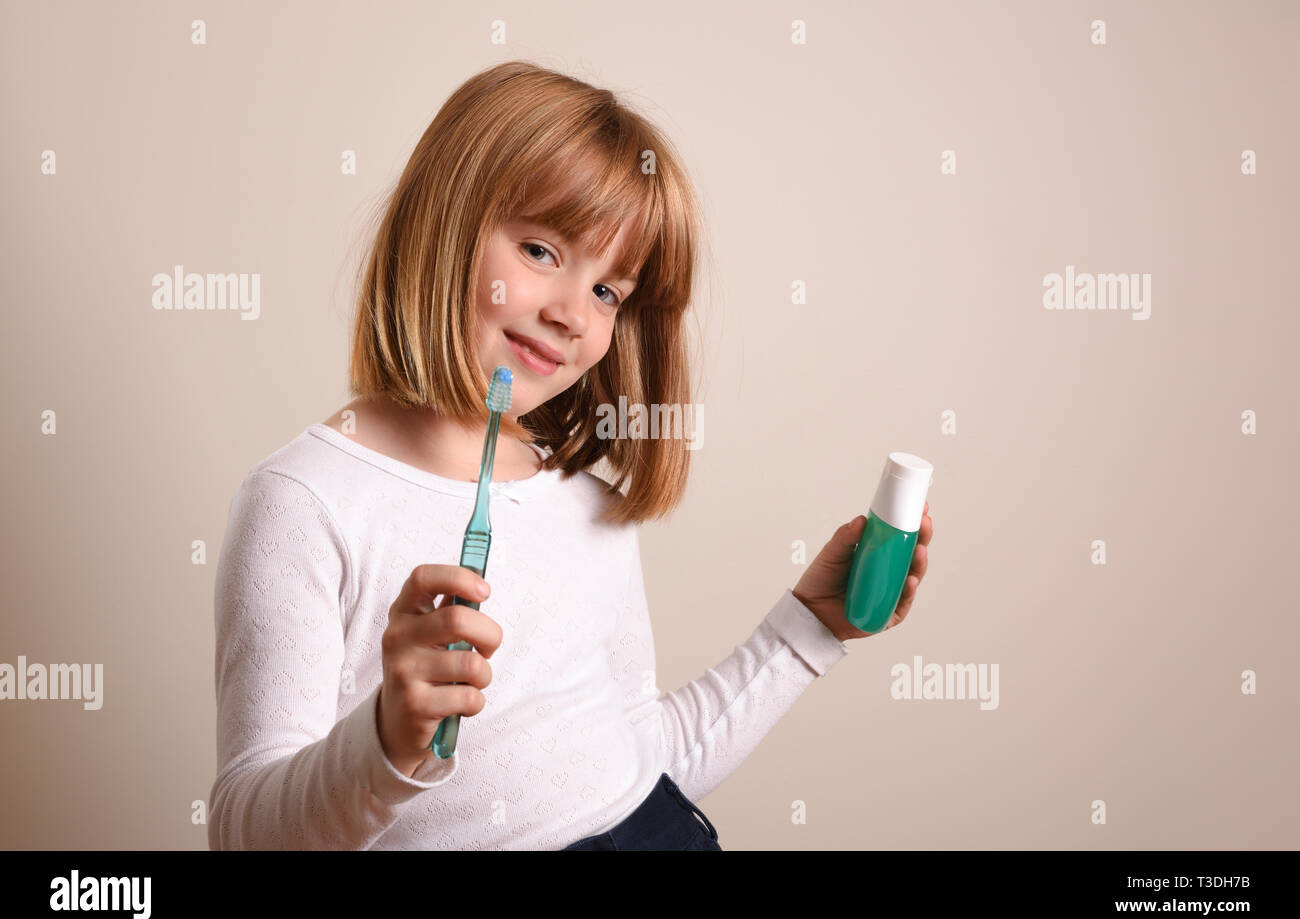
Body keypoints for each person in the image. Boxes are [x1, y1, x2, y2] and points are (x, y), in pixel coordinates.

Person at [208, 60, 933, 851]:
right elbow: (246, 836)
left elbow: (637, 768)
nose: (571, 316)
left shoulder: (586, 502)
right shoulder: (305, 501)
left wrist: (811, 627)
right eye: (542, 252)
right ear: (442, 221)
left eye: (608, 292)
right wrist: (381, 743)